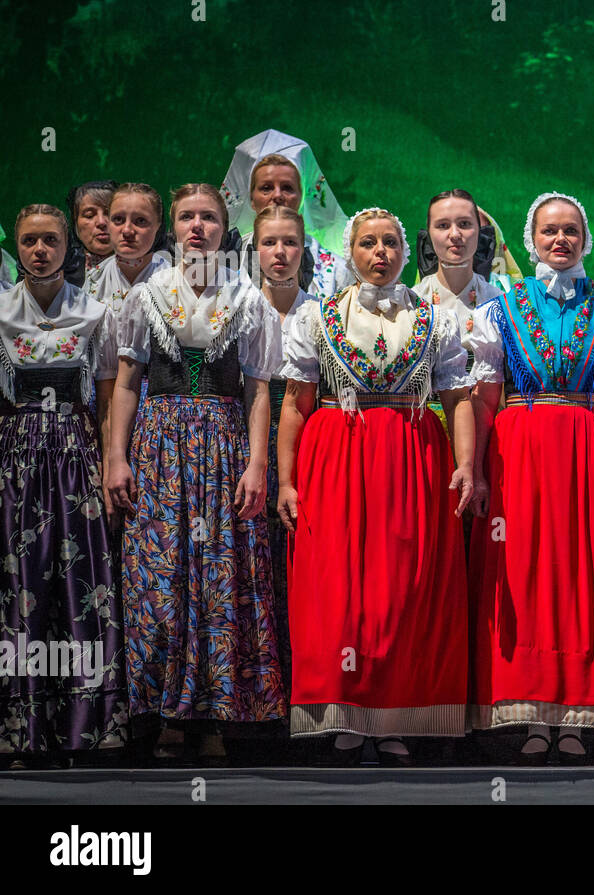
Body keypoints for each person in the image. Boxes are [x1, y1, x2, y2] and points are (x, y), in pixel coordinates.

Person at [468, 192, 594, 764]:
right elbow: (484, 396)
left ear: (585, 240)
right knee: (526, 574)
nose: (561, 240)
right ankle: (532, 710)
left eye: (571, 232)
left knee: (582, 572)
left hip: (588, 447)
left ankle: (578, 711)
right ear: (532, 239)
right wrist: (475, 468)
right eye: (550, 231)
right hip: (520, 451)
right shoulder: (501, 307)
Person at [277, 207, 475, 766]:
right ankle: (346, 710)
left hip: (412, 460)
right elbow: (295, 404)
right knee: (340, 590)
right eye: (368, 243)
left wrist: (465, 465)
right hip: (336, 459)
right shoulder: (318, 318)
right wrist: (286, 479)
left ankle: (395, 715)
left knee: (402, 590)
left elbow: (458, 399)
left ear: (406, 252)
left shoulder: (435, 319)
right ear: (351, 252)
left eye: (390, 243)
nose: (380, 253)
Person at [106, 183, 285, 766]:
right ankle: (167, 715)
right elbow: (127, 382)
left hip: (225, 447)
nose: (197, 227)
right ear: (172, 227)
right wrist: (116, 455)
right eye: (186, 217)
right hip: (160, 448)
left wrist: (258, 463)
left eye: (208, 218)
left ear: (224, 227)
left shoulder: (247, 298)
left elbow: (259, 390)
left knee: (219, 577)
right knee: (162, 579)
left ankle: (213, 717)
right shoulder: (148, 295)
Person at [0, 205, 127, 767]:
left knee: (81, 587)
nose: (40, 250)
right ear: (19, 247)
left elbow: (104, 403)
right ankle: (22, 730)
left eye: (50, 240)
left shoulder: (96, 312)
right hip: (15, 461)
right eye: (29, 241)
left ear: (66, 247)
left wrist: (108, 465)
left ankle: (82, 730)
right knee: (20, 588)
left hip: (75, 458)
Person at [253, 205, 315, 707]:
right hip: (249, 451)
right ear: (255, 250)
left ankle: (304, 695)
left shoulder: (323, 312)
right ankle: (261, 698)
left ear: (304, 249)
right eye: (270, 242)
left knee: (302, 568)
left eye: (290, 242)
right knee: (254, 570)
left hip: (308, 453)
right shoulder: (238, 307)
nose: (280, 252)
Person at [412, 189, 504, 438]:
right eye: (442, 225)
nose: (455, 235)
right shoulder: (411, 302)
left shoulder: (501, 303)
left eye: (465, 224)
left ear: (480, 233)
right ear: (429, 234)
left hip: (487, 428)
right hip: (426, 432)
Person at [220, 129, 352, 298]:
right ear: (251, 199)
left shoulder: (337, 270)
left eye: (287, 188)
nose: (277, 196)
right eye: (266, 188)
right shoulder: (224, 263)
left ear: (302, 197)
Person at [84, 183, 169, 317]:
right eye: (118, 219)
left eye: (140, 221)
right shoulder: (93, 279)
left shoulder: (175, 283)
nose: (127, 230)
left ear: (157, 225)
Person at [66, 181, 117, 287]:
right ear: (75, 223)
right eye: (89, 215)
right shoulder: (60, 273)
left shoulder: (149, 270)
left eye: (109, 213)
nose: (101, 222)